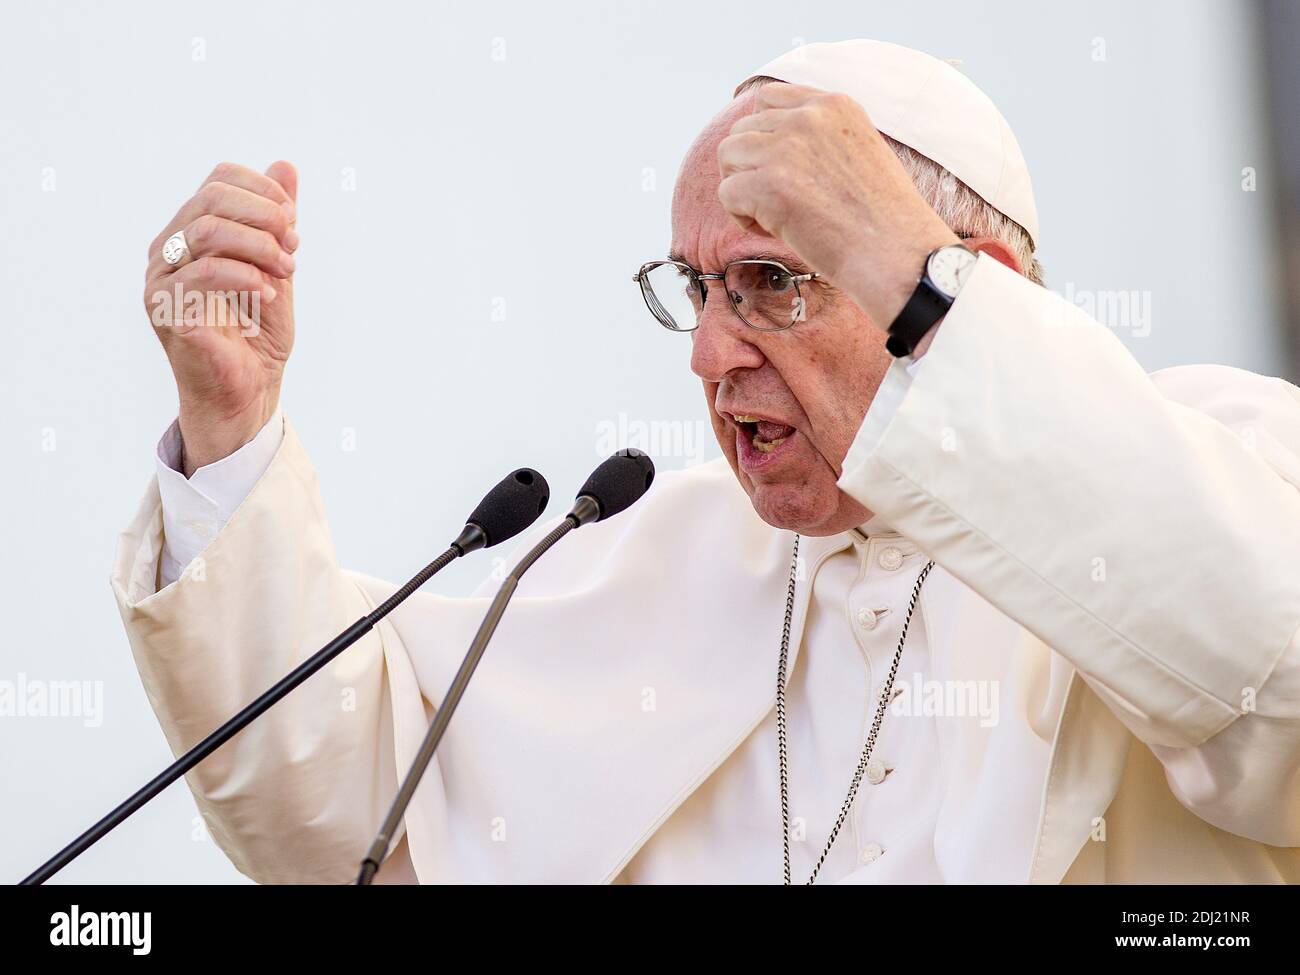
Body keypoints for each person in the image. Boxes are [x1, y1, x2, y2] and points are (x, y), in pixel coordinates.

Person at [116, 39, 1300, 884]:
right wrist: (228, 424)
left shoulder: (1218, 460)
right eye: (696, 289)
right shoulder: (657, 555)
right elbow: (356, 810)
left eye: (772, 282)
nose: (709, 355)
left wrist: (929, 300)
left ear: (966, 278)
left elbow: (1265, 664)